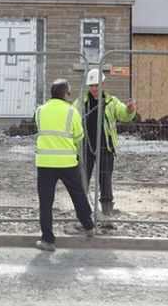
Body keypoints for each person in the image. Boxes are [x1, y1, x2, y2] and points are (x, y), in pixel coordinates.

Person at [34, 78, 95, 251]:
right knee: (78, 194)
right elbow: (78, 136)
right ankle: (89, 226)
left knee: (46, 201)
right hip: (67, 162)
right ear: (65, 94)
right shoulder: (71, 112)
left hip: (45, 163)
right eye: (69, 93)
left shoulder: (40, 111)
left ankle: (48, 240)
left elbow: (40, 131)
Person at [74, 68, 136, 215]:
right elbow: (70, 117)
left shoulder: (111, 102)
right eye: (92, 86)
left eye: (97, 85)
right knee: (83, 180)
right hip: (85, 147)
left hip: (105, 147)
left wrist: (129, 110)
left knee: (105, 180)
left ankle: (107, 214)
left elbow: (124, 115)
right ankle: (83, 214)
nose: (94, 88)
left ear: (103, 84)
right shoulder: (80, 102)